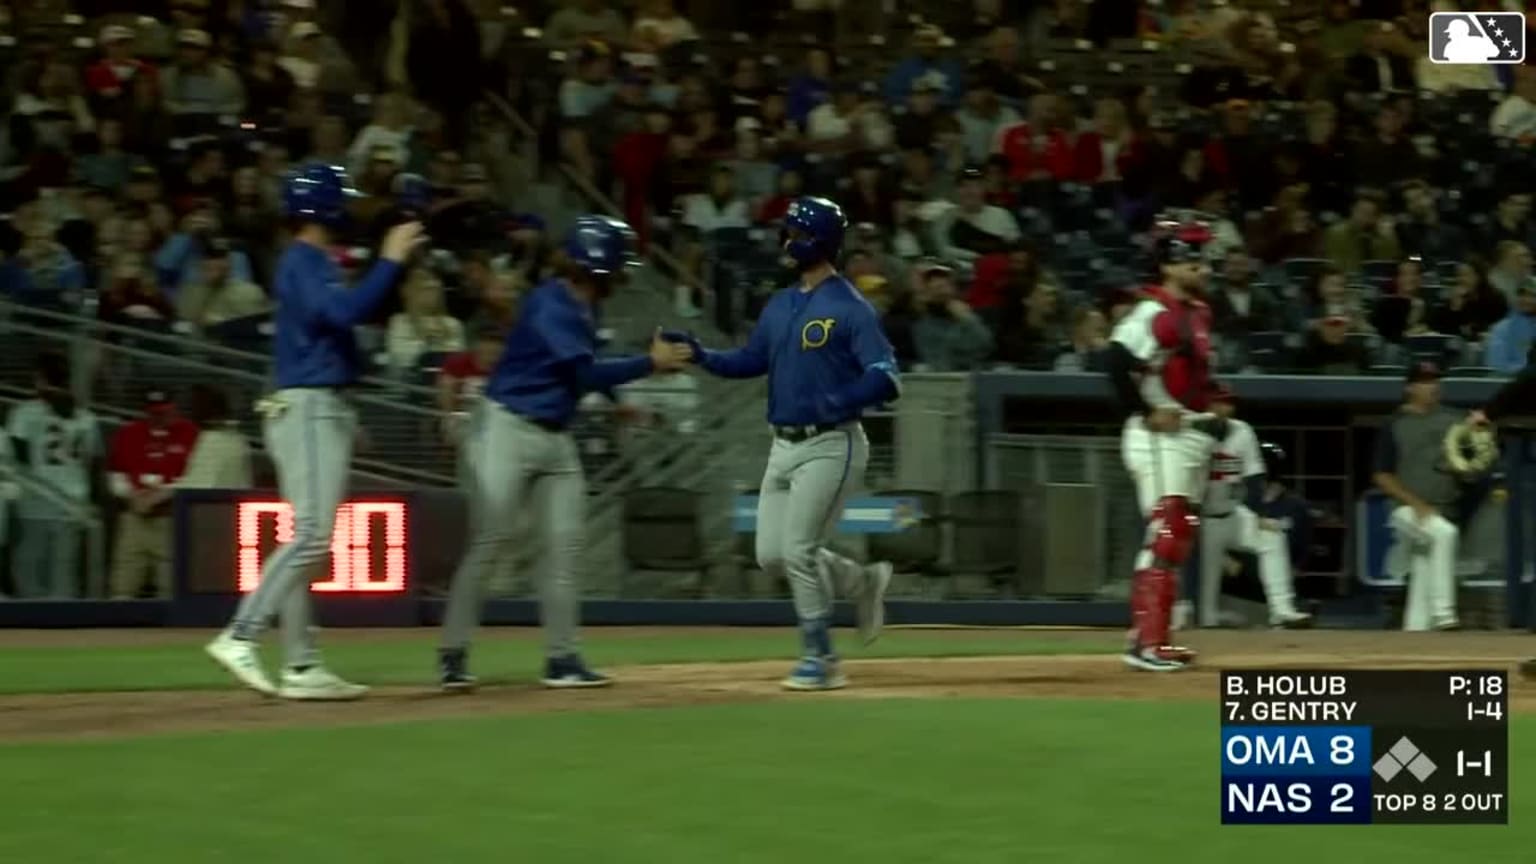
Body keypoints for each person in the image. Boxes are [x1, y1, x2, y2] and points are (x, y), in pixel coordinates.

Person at [437, 216, 692, 691]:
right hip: (505, 429)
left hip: (554, 435)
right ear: (598, 268)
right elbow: (586, 373)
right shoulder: (549, 303)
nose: (621, 276)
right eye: (616, 267)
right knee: (490, 543)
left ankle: (562, 658)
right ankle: (453, 651)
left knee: (564, 547)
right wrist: (649, 364)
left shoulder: (584, 303)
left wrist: (624, 405)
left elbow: (581, 376)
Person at [204, 163, 425, 701]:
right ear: (323, 206)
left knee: (307, 537)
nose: (347, 208)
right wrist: (389, 260)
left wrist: (351, 414)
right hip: (306, 406)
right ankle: (241, 634)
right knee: (311, 535)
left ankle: (301, 665)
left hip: (319, 405)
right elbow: (344, 312)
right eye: (340, 200)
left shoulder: (312, 260)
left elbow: (339, 335)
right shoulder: (303, 260)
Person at [675, 197, 898, 691]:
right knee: (772, 555)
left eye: (795, 233)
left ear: (819, 241)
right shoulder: (780, 303)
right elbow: (749, 360)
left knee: (798, 550)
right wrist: (700, 355)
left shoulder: (850, 306)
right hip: (783, 444)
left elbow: (886, 376)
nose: (785, 241)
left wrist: (839, 399)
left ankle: (822, 657)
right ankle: (861, 582)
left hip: (831, 444)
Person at [1106, 215, 1221, 672]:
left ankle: (1150, 635)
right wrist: (1145, 411)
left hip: (1186, 434)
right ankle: (1147, 645)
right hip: (1157, 436)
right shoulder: (1152, 313)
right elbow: (1114, 362)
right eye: (1194, 258)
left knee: (1176, 534)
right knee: (1167, 530)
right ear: (1170, 265)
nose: (1203, 267)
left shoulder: (1193, 313)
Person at [1196, 384, 1313, 629]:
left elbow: (1254, 477)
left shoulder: (1242, 431)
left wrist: (1259, 514)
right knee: (1204, 613)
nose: (1224, 408)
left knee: (1272, 537)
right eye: (1218, 402)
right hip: (1202, 521)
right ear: (1205, 405)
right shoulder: (1191, 431)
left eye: (1228, 403)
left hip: (1232, 514)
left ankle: (1282, 610)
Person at [1375, 362, 1461, 632]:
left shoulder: (1454, 420)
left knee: (1424, 564)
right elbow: (1382, 475)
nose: (1432, 385)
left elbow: (1470, 462)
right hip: (1405, 509)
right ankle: (1443, 614)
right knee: (1444, 534)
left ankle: (1416, 631)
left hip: (1443, 506)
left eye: (1436, 380)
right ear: (1409, 387)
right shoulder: (1394, 424)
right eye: (1425, 381)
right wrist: (1417, 504)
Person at [107, 389, 200, 599]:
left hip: (171, 520)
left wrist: (162, 495)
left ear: (173, 409)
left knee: (170, 589)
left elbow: (195, 478)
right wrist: (133, 496)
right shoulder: (129, 433)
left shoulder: (190, 434)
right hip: (134, 518)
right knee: (122, 587)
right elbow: (115, 474)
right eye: (153, 413)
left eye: (164, 412)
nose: (158, 418)